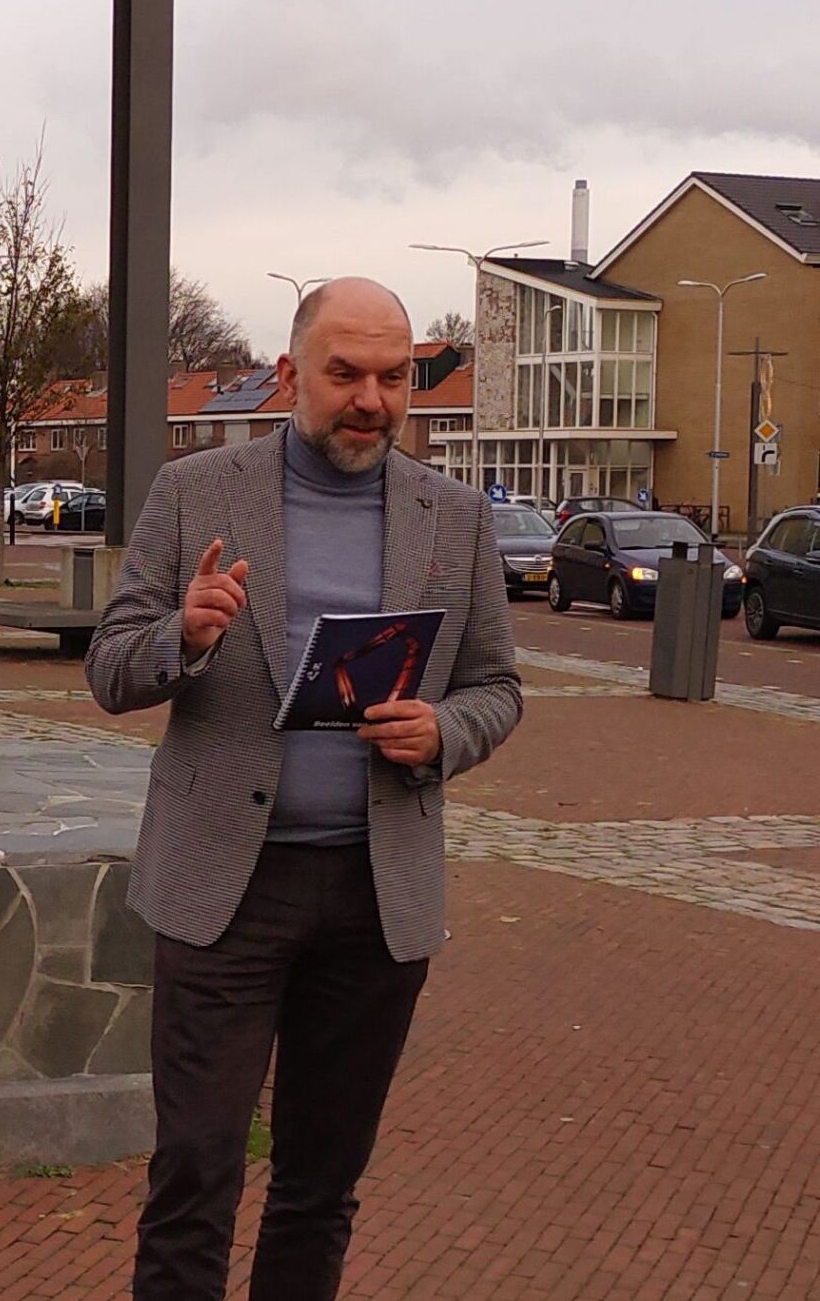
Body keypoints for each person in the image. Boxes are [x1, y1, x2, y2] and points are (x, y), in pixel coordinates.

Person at [85, 278, 521, 1301]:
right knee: (194, 1169)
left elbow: (495, 685)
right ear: (289, 376)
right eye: (343, 374)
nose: (368, 398)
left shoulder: (451, 517)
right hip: (223, 895)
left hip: (374, 899)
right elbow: (109, 669)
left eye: (391, 376)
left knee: (320, 1185)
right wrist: (181, 634)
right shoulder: (195, 490)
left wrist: (441, 729)